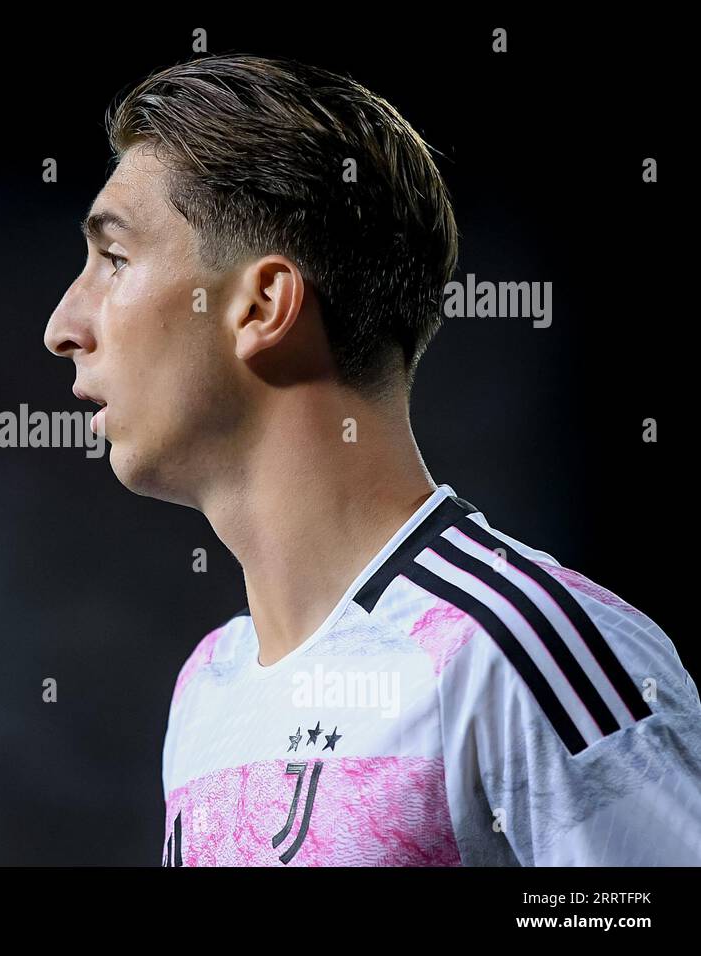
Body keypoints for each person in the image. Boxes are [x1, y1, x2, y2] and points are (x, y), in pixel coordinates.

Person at [42, 54, 701, 865]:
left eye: (113, 261)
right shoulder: (208, 690)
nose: (64, 325)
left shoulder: (512, 655)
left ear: (261, 305)